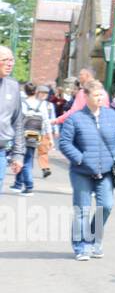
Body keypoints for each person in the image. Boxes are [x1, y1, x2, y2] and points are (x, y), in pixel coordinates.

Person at [58, 81, 115, 260]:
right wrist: (80, 158)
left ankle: (94, 239)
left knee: (107, 206)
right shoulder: (75, 118)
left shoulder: (112, 115)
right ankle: (81, 246)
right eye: (96, 95)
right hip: (82, 171)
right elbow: (64, 143)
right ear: (86, 97)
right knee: (82, 209)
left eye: (102, 95)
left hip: (106, 170)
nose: (100, 98)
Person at [13, 81, 51, 194]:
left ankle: (28, 186)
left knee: (22, 159)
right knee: (28, 158)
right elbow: (46, 122)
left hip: (22, 134)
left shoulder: (22, 103)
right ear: (36, 92)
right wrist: (50, 137)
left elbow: (17, 120)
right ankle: (18, 183)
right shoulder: (42, 104)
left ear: (25, 91)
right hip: (35, 135)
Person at [0, 47, 22, 190]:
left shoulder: (13, 86)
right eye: (5, 60)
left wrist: (18, 155)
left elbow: (18, 122)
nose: (10, 64)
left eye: (11, 60)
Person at [36, 84, 55, 178]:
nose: (44, 94)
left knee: (43, 151)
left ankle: (45, 168)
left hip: (43, 132)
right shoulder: (31, 102)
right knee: (29, 151)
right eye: (42, 92)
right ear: (37, 93)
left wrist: (54, 131)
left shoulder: (49, 105)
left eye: (46, 93)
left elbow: (52, 119)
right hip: (32, 132)